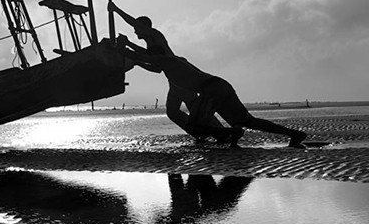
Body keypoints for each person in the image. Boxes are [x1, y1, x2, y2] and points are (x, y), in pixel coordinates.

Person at [118, 40, 307, 148]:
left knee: (195, 126)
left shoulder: (165, 60)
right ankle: (294, 134)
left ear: (156, 55)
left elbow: (144, 57)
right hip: (220, 85)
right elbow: (147, 60)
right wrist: (132, 50)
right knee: (249, 120)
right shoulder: (172, 60)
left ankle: (232, 132)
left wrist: (123, 47)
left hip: (211, 90)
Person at [109, 1, 230, 142]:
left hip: (181, 78)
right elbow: (156, 68)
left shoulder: (155, 35)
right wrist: (136, 59)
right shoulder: (151, 45)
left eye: (137, 29)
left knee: (194, 107)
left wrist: (116, 10)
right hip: (173, 81)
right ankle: (199, 133)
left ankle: (222, 134)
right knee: (172, 112)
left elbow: (135, 26)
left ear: (144, 27)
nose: (135, 31)